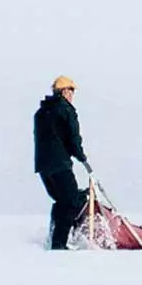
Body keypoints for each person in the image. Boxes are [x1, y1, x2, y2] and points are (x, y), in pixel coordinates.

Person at [33, 75, 93, 249]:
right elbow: (73, 139)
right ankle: (59, 246)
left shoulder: (41, 113)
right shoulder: (66, 110)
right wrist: (83, 159)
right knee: (71, 202)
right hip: (60, 164)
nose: (72, 95)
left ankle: (54, 239)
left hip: (43, 167)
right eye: (71, 91)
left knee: (61, 201)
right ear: (65, 91)